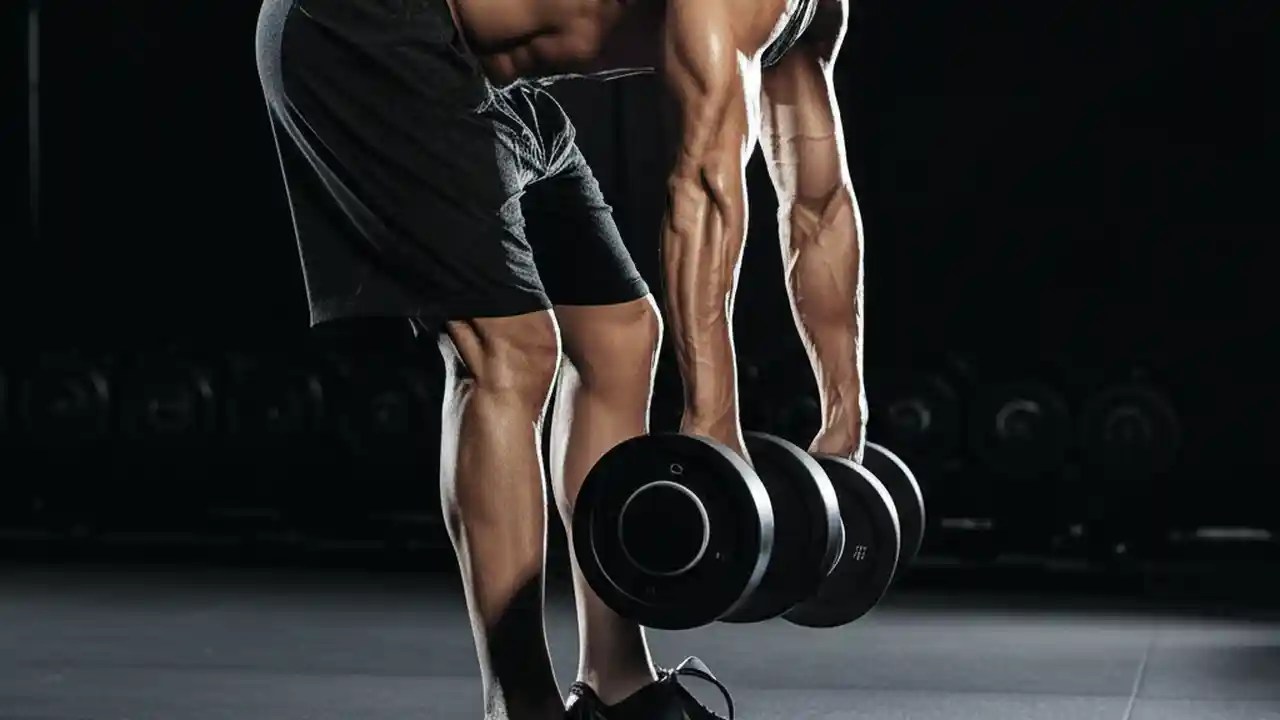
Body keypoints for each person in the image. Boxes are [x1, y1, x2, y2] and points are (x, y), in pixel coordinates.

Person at [255, 0, 864, 717]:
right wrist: (710, 425)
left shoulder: (816, 11)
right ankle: (520, 706)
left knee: (620, 336)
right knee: (511, 349)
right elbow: (705, 185)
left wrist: (844, 419)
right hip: (365, 26)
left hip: (487, 82)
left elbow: (819, 203)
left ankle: (618, 687)